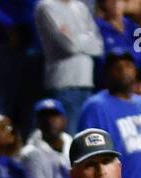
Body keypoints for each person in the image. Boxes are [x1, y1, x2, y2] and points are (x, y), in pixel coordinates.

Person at [34, 0, 104, 131]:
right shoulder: (47, 6)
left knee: (86, 138)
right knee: (70, 141)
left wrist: (75, 38)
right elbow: (69, 46)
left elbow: (99, 46)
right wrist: (87, 37)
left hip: (86, 84)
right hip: (64, 85)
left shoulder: (81, 7)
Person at [19, 98, 72, 178]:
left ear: (64, 120)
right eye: (44, 116)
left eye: (54, 115)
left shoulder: (73, 144)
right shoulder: (30, 154)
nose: (49, 120)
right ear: (37, 122)